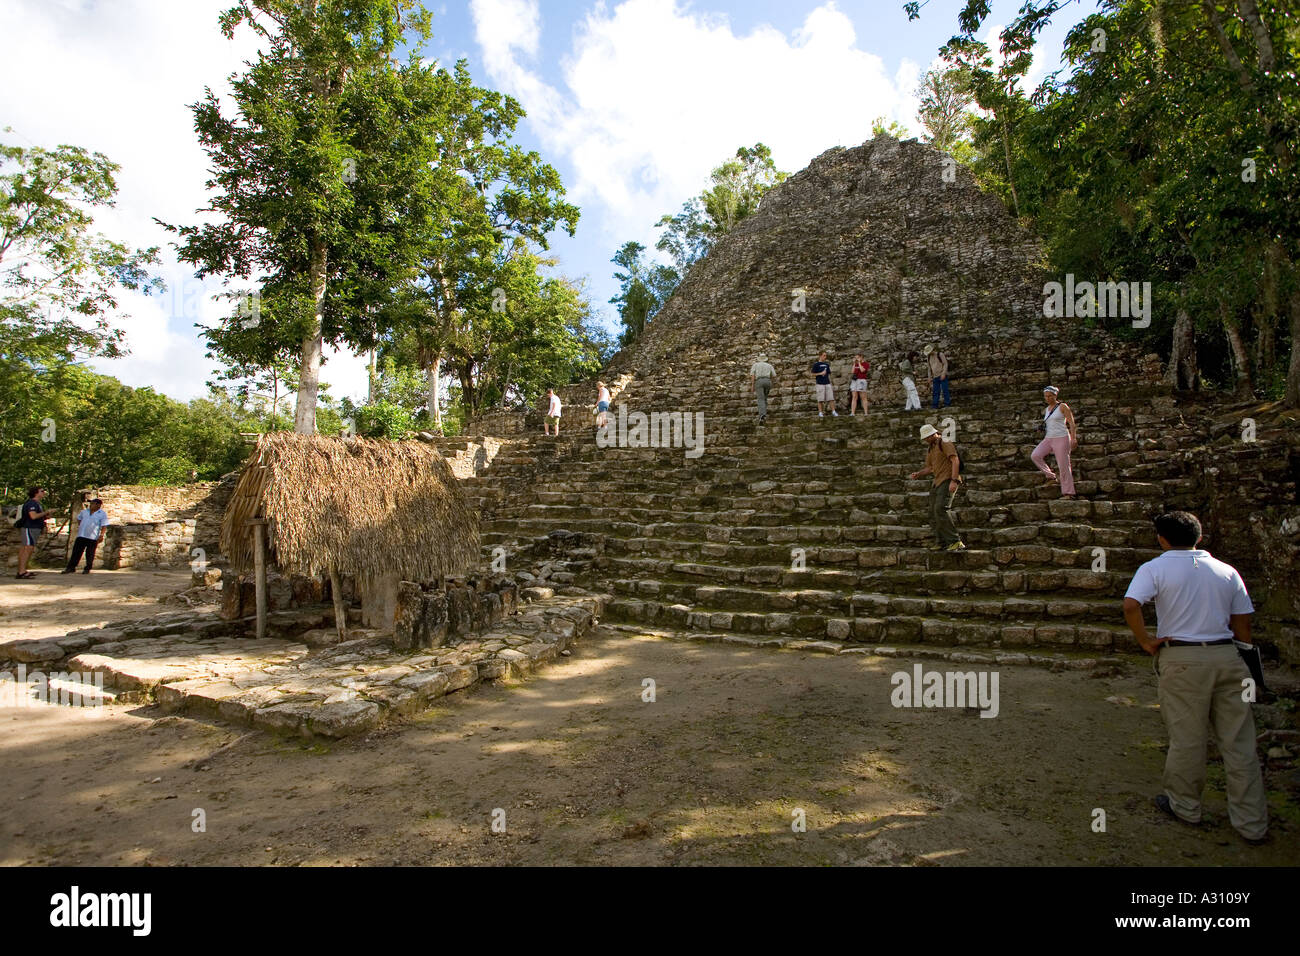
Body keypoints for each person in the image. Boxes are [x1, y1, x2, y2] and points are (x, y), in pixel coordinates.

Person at [1122, 511, 1268, 845]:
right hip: (1227, 655)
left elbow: (1131, 604)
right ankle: (1251, 822)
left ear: (1161, 538)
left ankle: (1186, 805)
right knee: (1240, 741)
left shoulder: (1155, 568)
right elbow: (1242, 621)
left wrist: (1145, 640)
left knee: (1187, 736)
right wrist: (1244, 658)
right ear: (1199, 537)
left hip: (1183, 657)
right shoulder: (1226, 571)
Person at [908, 424, 965, 551]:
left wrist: (954, 480)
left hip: (947, 479)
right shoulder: (931, 448)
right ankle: (942, 542)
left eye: (927, 437)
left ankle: (955, 541)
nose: (926, 440)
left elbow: (955, 460)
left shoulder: (944, 442)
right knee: (933, 513)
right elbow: (931, 467)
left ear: (933, 434)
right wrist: (919, 473)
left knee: (941, 509)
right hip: (937, 482)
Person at [1030, 385, 1079, 499]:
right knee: (1035, 455)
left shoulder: (1062, 406)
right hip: (1049, 438)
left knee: (1064, 466)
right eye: (1046, 396)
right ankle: (1051, 477)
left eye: (1050, 396)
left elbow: (1071, 423)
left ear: (1055, 395)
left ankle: (1068, 492)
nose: (1047, 398)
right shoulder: (1047, 409)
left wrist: (1074, 438)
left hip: (1062, 437)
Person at [63, 498, 109, 575]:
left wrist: (101, 535)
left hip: (93, 536)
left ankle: (87, 568)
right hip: (81, 535)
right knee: (76, 552)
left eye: (93, 504)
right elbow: (79, 519)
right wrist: (82, 526)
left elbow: (104, 525)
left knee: (90, 553)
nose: (91, 505)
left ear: (98, 505)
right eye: (91, 504)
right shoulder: (84, 512)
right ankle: (71, 567)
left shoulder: (102, 514)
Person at [15, 486, 49, 579]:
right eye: (42, 491)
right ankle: (21, 572)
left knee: (27, 548)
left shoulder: (37, 504)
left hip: (34, 528)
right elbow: (33, 516)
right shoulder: (32, 503)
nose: (44, 492)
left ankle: (22, 570)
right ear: (36, 493)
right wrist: (46, 512)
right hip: (29, 528)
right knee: (27, 548)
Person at [749, 353, 776, 423]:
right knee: (765, 398)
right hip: (767, 381)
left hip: (759, 381)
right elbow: (774, 375)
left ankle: (762, 415)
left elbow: (752, 375)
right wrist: (771, 382)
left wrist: (752, 385)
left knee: (760, 399)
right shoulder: (769, 365)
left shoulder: (755, 365)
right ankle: (764, 412)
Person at [811, 351, 837, 417]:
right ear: (820, 356)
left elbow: (828, 374)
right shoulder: (816, 365)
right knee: (820, 399)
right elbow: (812, 374)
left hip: (827, 383)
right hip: (820, 384)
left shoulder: (827, 365)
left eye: (825, 355)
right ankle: (820, 413)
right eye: (824, 355)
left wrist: (830, 382)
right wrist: (820, 373)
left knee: (831, 398)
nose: (825, 357)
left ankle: (833, 412)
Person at [925, 343, 951, 409]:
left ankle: (947, 404)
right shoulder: (928, 357)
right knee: (935, 392)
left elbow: (945, 364)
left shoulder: (940, 354)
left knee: (945, 390)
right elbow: (929, 368)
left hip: (942, 375)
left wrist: (943, 373)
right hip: (935, 377)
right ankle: (935, 405)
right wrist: (929, 377)